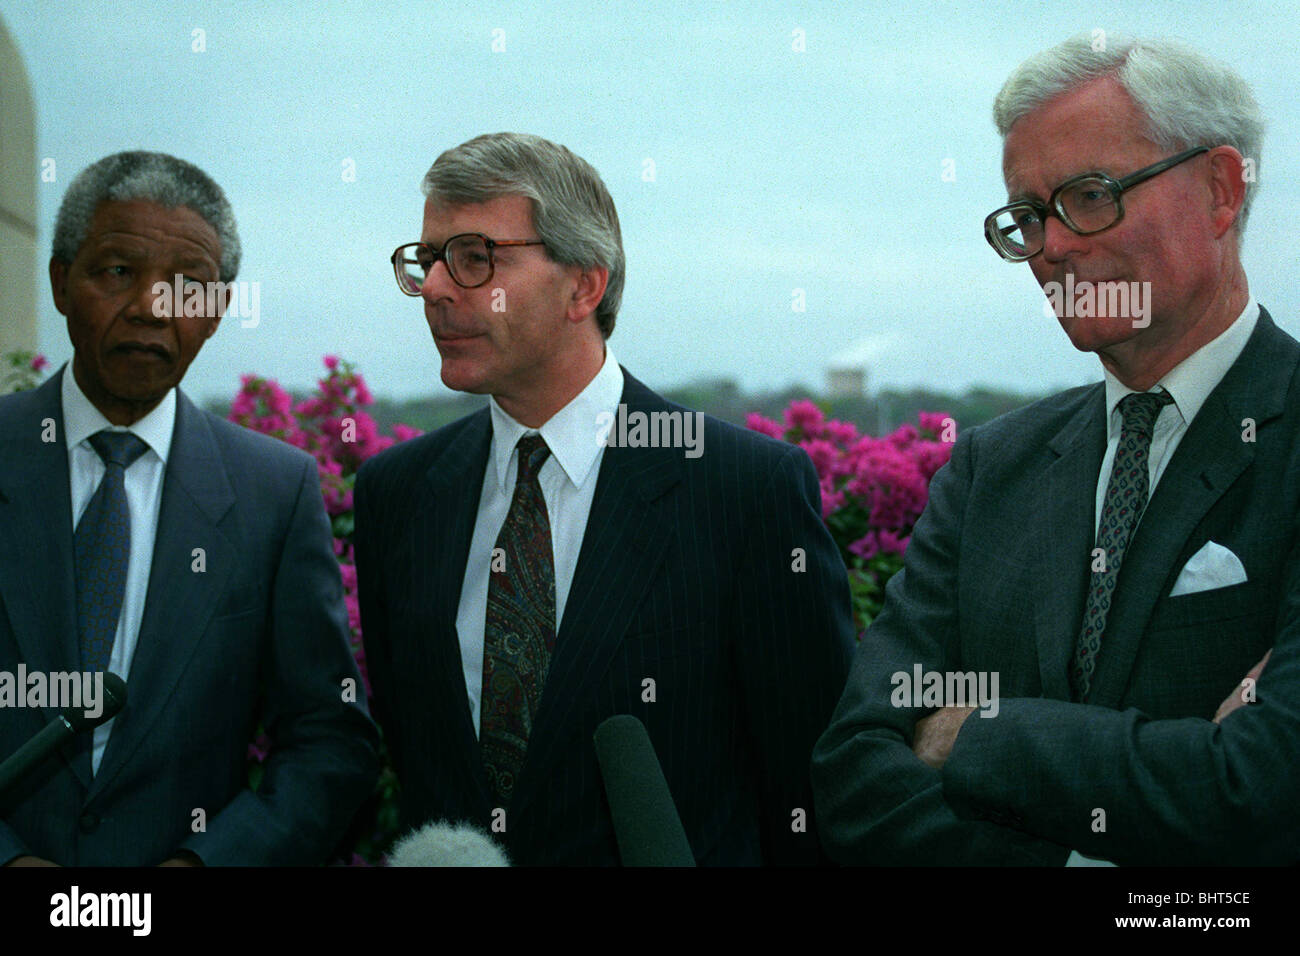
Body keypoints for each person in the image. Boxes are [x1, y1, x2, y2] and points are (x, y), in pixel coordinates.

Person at [813, 34, 1298, 865]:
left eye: (1090, 195)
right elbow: (856, 771)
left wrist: (980, 732)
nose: (1053, 247)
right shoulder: (994, 466)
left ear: (1221, 190)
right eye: (1029, 216)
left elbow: (1265, 787)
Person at [355, 132, 855, 865]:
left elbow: (812, 788)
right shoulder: (396, 493)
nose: (434, 287)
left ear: (583, 285)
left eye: (473, 258)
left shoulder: (743, 491)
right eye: (426, 260)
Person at [0, 151, 379, 866]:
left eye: (187, 287)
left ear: (217, 311)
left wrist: (208, 864)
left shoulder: (275, 493)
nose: (150, 307)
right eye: (117, 272)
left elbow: (329, 741)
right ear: (60, 281)